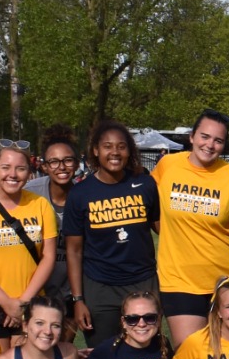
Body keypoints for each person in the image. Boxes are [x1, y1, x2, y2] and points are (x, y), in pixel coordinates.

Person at [151, 111, 229, 345]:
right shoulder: (168, 165)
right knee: (188, 357)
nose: (210, 145)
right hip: (179, 279)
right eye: (204, 136)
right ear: (192, 137)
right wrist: (175, 233)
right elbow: (150, 208)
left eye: (218, 140)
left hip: (225, 280)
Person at [64, 120, 158, 347]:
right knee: (103, 356)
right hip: (100, 287)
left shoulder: (145, 184)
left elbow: (163, 228)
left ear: (129, 151)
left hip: (142, 283)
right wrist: (78, 300)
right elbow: (74, 251)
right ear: (96, 150)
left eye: (121, 146)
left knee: (145, 354)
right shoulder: (80, 193)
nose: (114, 152)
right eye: (107, 146)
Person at [0, 142, 58, 338]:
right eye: (5, 167)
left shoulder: (40, 204)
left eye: (20, 168)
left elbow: (48, 257)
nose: (13, 175)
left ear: (29, 172)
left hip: (32, 302)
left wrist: (23, 302)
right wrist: (6, 303)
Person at [25, 130, 79, 307]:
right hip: (34, 289)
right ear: (44, 166)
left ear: (77, 163)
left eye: (68, 160)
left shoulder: (86, 195)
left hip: (72, 290)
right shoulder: (30, 193)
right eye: (54, 161)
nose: (61, 167)